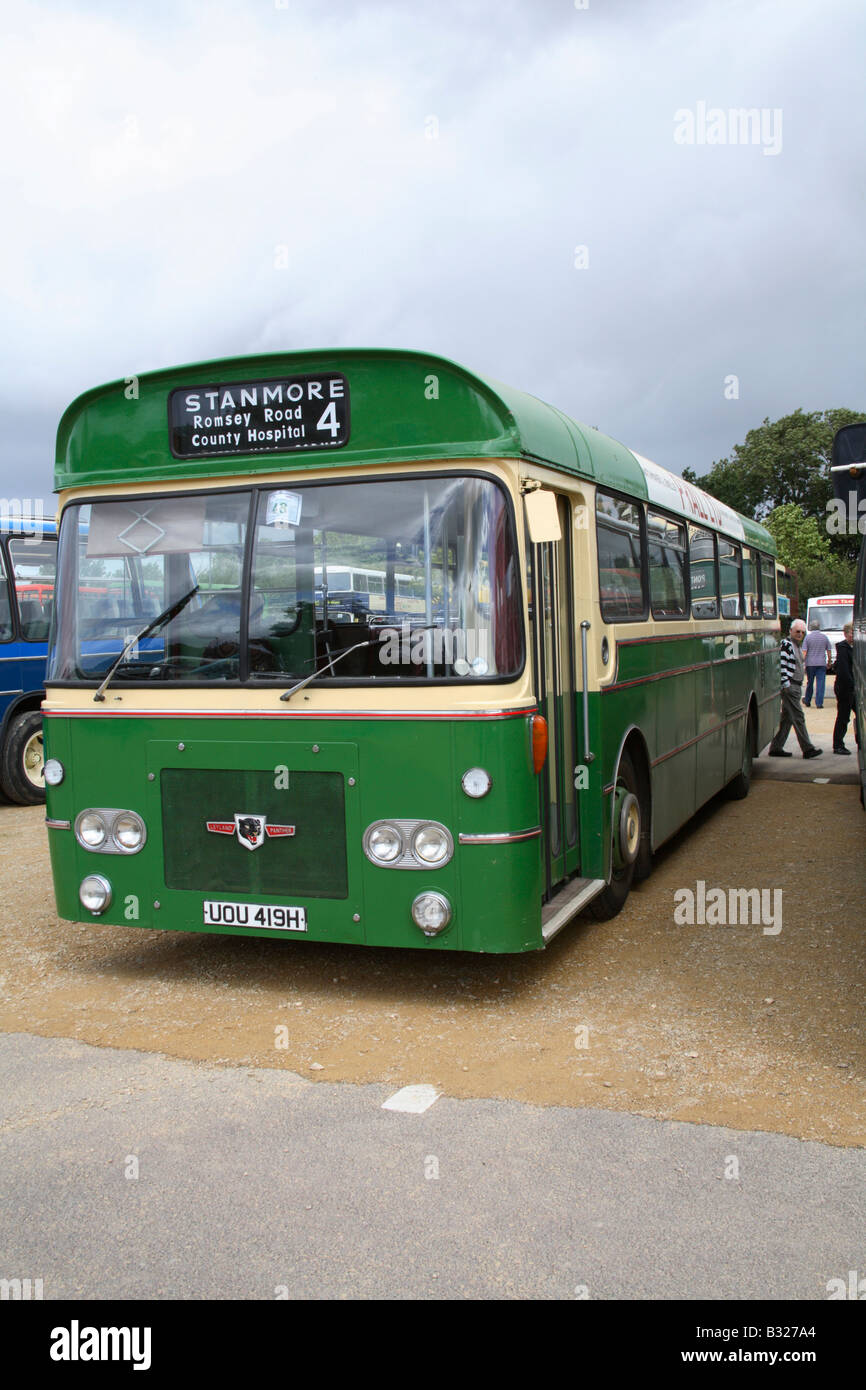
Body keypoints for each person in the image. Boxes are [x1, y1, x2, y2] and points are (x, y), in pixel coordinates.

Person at [768, 618, 823, 758]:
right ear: (790, 631)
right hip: (790, 686)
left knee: (787, 719)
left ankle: (776, 747)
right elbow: (781, 665)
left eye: (802, 632)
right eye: (797, 631)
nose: (800, 634)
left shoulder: (797, 645)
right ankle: (808, 748)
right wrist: (785, 684)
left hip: (795, 686)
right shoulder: (786, 645)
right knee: (798, 716)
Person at [832, 623, 859, 755]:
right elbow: (843, 671)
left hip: (850, 688)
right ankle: (838, 745)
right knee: (843, 716)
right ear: (845, 634)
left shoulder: (853, 648)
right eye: (851, 633)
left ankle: (859, 738)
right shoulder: (843, 648)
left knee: (858, 714)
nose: (853, 636)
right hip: (845, 689)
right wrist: (852, 685)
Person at [802, 618, 832, 707]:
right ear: (819, 627)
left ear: (811, 627)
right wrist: (829, 662)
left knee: (810, 682)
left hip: (810, 664)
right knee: (821, 683)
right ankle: (819, 703)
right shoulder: (824, 637)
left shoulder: (807, 638)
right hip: (821, 663)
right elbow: (829, 651)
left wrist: (803, 663)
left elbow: (804, 652)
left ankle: (807, 700)